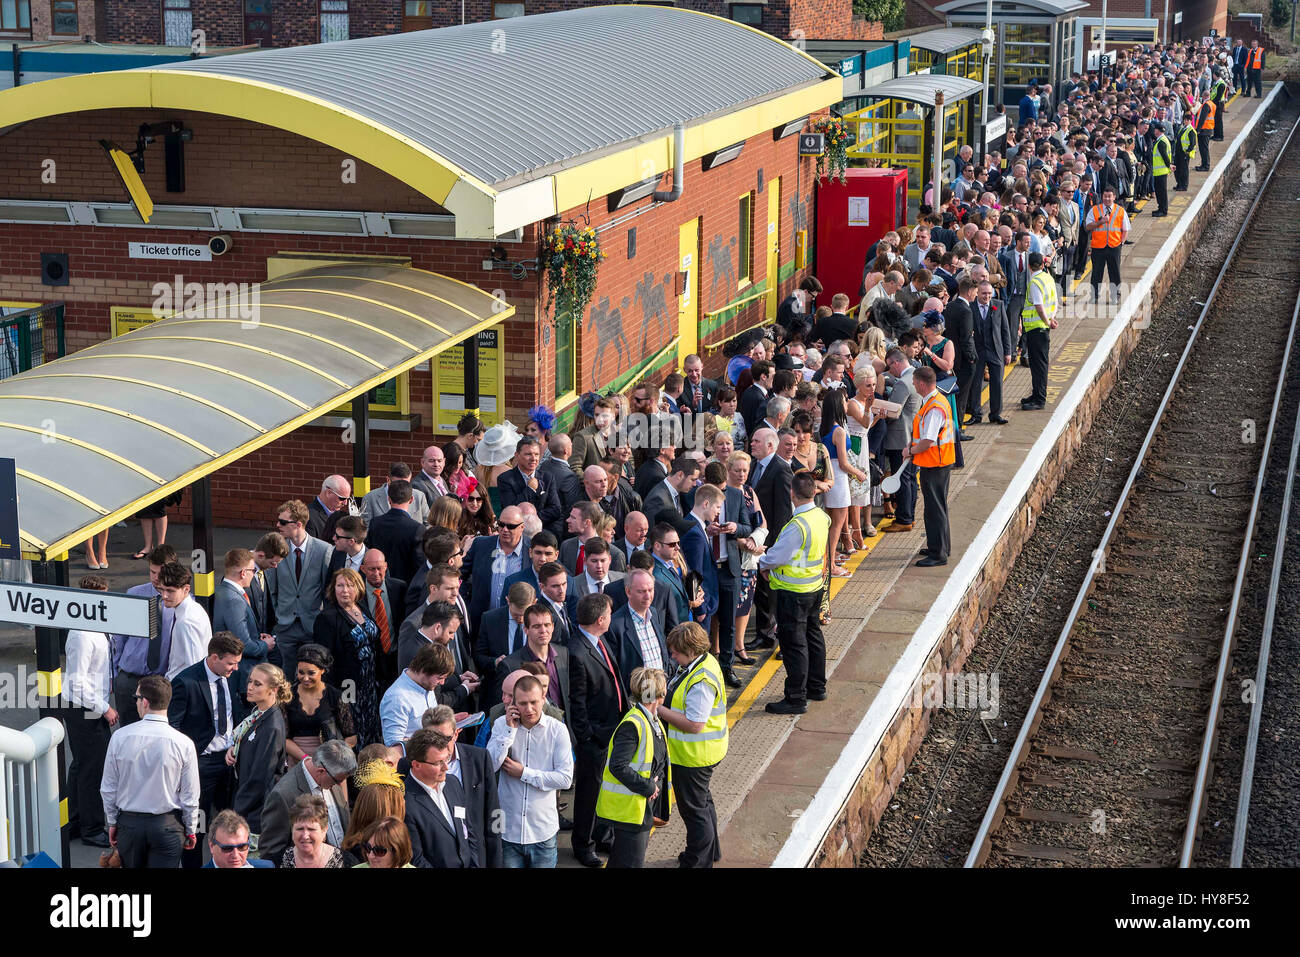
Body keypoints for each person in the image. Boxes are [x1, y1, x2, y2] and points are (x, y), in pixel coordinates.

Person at [101, 674, 200, 869]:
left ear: (145, 702)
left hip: (129, 825)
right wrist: (190, 828)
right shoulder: (184, 743)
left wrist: (112, 822)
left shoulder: (120, 737)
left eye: (136, 698)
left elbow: (108, 787)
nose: (136, 703)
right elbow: (190, 795)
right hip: (167, 826)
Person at [167, 631, 246, 867]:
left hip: (229, 760)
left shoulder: (231, 677)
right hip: (200, 764)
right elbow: (174, 726)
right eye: (231, 663)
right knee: (196, 826)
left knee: (229, 822)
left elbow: (236, 713)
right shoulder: (185, 681)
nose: (236, 669)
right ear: (214, 657)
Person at [484, 673, 573, 867]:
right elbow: (489, 766)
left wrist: (524, 773)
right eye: (523, 703)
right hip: (508, 832)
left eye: (534, 702)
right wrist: (509, 731)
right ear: (513, 703)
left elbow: (565, 779)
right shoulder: (501, 725)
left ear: (543, 699)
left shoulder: (557, 730)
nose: (529, 709)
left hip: (543, 832)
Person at [657, 622, 728, 867]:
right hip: (702, 752)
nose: (672, 656)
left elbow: (694, 723)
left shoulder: (701, 680)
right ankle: (711, 851)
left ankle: (697, 860)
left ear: (691, 650)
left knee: (694, 811)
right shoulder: (702, 663)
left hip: (693, 756)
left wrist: (659, 710)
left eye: (676, 652)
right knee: (703, 803)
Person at [759, 472, 829, 715]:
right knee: (813, 636)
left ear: (792, 493)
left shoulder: (797, 525)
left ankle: (796, 698)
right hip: (814, 587)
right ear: (814, 491)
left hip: (793, 592)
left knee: (793, 644)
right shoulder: (821, 516)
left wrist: (762, 561)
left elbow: (777, 556)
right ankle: (816, 686)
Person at [568, 592, 628, 867]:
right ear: (601, 619)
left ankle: (602, 834)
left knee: (606, 790)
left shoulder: (599, 640)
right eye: (609, 614)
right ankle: (583, 844)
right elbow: (577, 703)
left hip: (611, 730)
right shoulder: (578, 652)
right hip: (596, 737)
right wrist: (588, 738)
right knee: (589, 794)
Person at [62, 574, 116, 848]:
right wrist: (104, 708)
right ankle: (92, 828)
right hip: (84, 708)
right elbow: (77, 681)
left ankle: (73, 819)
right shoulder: (83, 634)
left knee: (82, 765)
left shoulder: (95, 625)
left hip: (86, 705)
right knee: (92, 769)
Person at [596, 666, 669, 868]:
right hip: (630, 810)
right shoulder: (633, 725)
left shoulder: (652, 720)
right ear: (659, 693)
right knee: (630, 863)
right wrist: (649, 787)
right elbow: (617, 766)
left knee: (621, 861)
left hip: (639, 808)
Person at [423, 704, 503, 868]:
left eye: (445, 738)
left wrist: (495, 861)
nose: (440, 746)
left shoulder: (479, 759)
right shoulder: (412, 765)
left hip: (475, 857)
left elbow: (493, 812)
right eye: (433, 739)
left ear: (456, 733)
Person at [259, 738, 356, 867]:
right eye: (338, 781)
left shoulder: (332, 775)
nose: (339, 785)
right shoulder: (283, 795)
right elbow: (271, 852)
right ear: (321, 771)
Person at [313, 567, 381, 746]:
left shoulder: (363, 608)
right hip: (347, 686)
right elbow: (324, 660)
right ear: (333, 589)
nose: (344, 590)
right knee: (353, 729)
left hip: (370, 683)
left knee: (371, 727)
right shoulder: (327, 618)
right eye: (340, 585)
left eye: (350, 585)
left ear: (358, 588)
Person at [226, 662, 290, 851]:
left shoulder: (272, 725)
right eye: (250, 681)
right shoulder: (258, 714)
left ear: (274, 689)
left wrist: (238, 810)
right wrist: (234, 750)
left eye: (257, 684)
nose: (250, 687)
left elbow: (260, 776)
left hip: (255, 812)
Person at [271, 499, 333, 681]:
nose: (278, 525)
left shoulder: (323, 550)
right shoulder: (277, 549)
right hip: (284, 624)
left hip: (312, 624)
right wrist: (278, 612)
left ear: (298, 524)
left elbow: (326, 589)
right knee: (284, 676)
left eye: (283, 522)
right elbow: (272, 589)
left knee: (311, 675)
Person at [404, 728, 478, 867]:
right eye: (438, 763)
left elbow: (469, 832)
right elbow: (415, 858)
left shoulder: (452, 783)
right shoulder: (404, 801)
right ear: (416, 765)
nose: (446, 767)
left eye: (447, 759)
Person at [819, 388, 869, 579]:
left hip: (830, 476)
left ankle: (828, 560)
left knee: (832, 522)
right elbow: (843, 463)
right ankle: (831, 565)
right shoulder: (838, 431)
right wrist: (859, 473)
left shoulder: (825, 428)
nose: (847, 402)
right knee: (837, 525)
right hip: (838, 479)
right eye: (844, 400)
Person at [909, 366, 956, 567]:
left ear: (920, 383)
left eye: (914, 382)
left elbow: (927, 440)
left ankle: (938, 554)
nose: (913, 385)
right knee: (938, 506)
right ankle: (942, 546)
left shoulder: (933, 408)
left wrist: (910, 451)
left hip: (934, 463)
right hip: (939, 461)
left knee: (934, 509)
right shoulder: (938, 401)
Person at [381, 641, 454, 747]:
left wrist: (446, 723)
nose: (442, 683)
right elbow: (395, 747)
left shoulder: (427, 684)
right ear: (424, 670)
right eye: (440, 678)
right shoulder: (397, 699)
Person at [212, 548, 273, 672]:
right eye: (253, 570)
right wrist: (266, 645)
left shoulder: (221, 591)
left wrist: (256, 637)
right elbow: (243, 645)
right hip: (241, 672)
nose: (254, 574)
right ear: (243, 573)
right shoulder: (235, 600)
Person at [969, 281, 1013, 425]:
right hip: (977, 351)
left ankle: (995, 414)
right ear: (977, 293)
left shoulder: (998, 305)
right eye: (984, 293)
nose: (987, 296)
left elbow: (1005, 330)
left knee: (997, 383)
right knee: (976, 383)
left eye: (989, 293)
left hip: (995, 350)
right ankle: (976, 414)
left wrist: (1008, 352)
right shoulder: (971, 306)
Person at [158, 562, 211, 680]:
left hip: (182, 688)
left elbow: (194, 666)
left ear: (186, 589)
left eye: (170, 591)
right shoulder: (194, 608)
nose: (164, 595)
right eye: (162, 589)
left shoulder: (186, 622)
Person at [1020, 252, 1058, 411]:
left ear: (1029, 266)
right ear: (1042, 264)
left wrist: (1046, 321)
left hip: (1037, 329)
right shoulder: (1048, 278)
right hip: (1042, 328)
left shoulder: (1035, 282)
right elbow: (1054, 302)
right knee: (1037, 364)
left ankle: (1039, 399)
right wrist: (1052, 318)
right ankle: (1036, 394)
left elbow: (1038, 305)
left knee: (1039, 366)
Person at [1084, 187, 1129, 307]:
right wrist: (1100, 222)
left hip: (1114, 246)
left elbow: (1125, 229)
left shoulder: (1120, 211)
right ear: (1102, 197)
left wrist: (1121, 243)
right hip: (1098, 246)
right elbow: (1088, 226)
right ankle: (1094, 296)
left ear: (1114, 197)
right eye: (1105, 196)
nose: (1107, 199)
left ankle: (1115, 296)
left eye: (1110, 196)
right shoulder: (1094, 210)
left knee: (1114, 272)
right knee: (1096, 272)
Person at [280, 793, 351, 868]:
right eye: (299, 829)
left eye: (311, 829)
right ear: (292, 829)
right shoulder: (278, 862)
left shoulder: (346, 862)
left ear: (324, 830)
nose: (305, 836)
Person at [204, 810, 274, 868]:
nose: (235, 855)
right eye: (227, 848)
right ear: (212, 847)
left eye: (242, 847)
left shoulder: (267, 866)